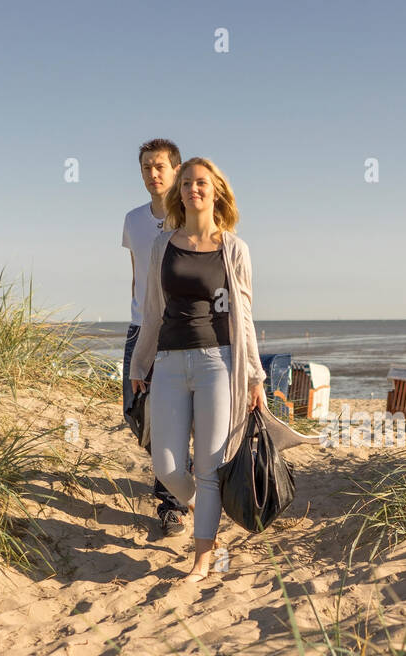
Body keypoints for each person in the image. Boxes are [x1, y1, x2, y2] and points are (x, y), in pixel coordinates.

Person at [130, 157, 316, 581]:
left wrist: (255, 376)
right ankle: (200, 504)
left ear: (216, 192)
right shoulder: (163, 244)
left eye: (202, 183)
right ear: (180, 192)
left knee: (211, 467)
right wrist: (140, 363)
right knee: (167, 467)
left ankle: (202, 559)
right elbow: (153, 311)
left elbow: (245, 315)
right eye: (188, 183)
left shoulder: (233, 248)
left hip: (220, 364)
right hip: (169, 362)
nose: (194, 188)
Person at [121, 137, 191, 535]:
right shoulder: (132, 220)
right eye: (146, 167)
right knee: (135, 410)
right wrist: (136, 313)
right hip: (139, 327)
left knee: (171, 418)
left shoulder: (190, 217)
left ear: (176, 170)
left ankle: (172, 503)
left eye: (160, 166)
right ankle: (184, 472)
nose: (152, 173)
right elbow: (137, 272)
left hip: (178, 330)